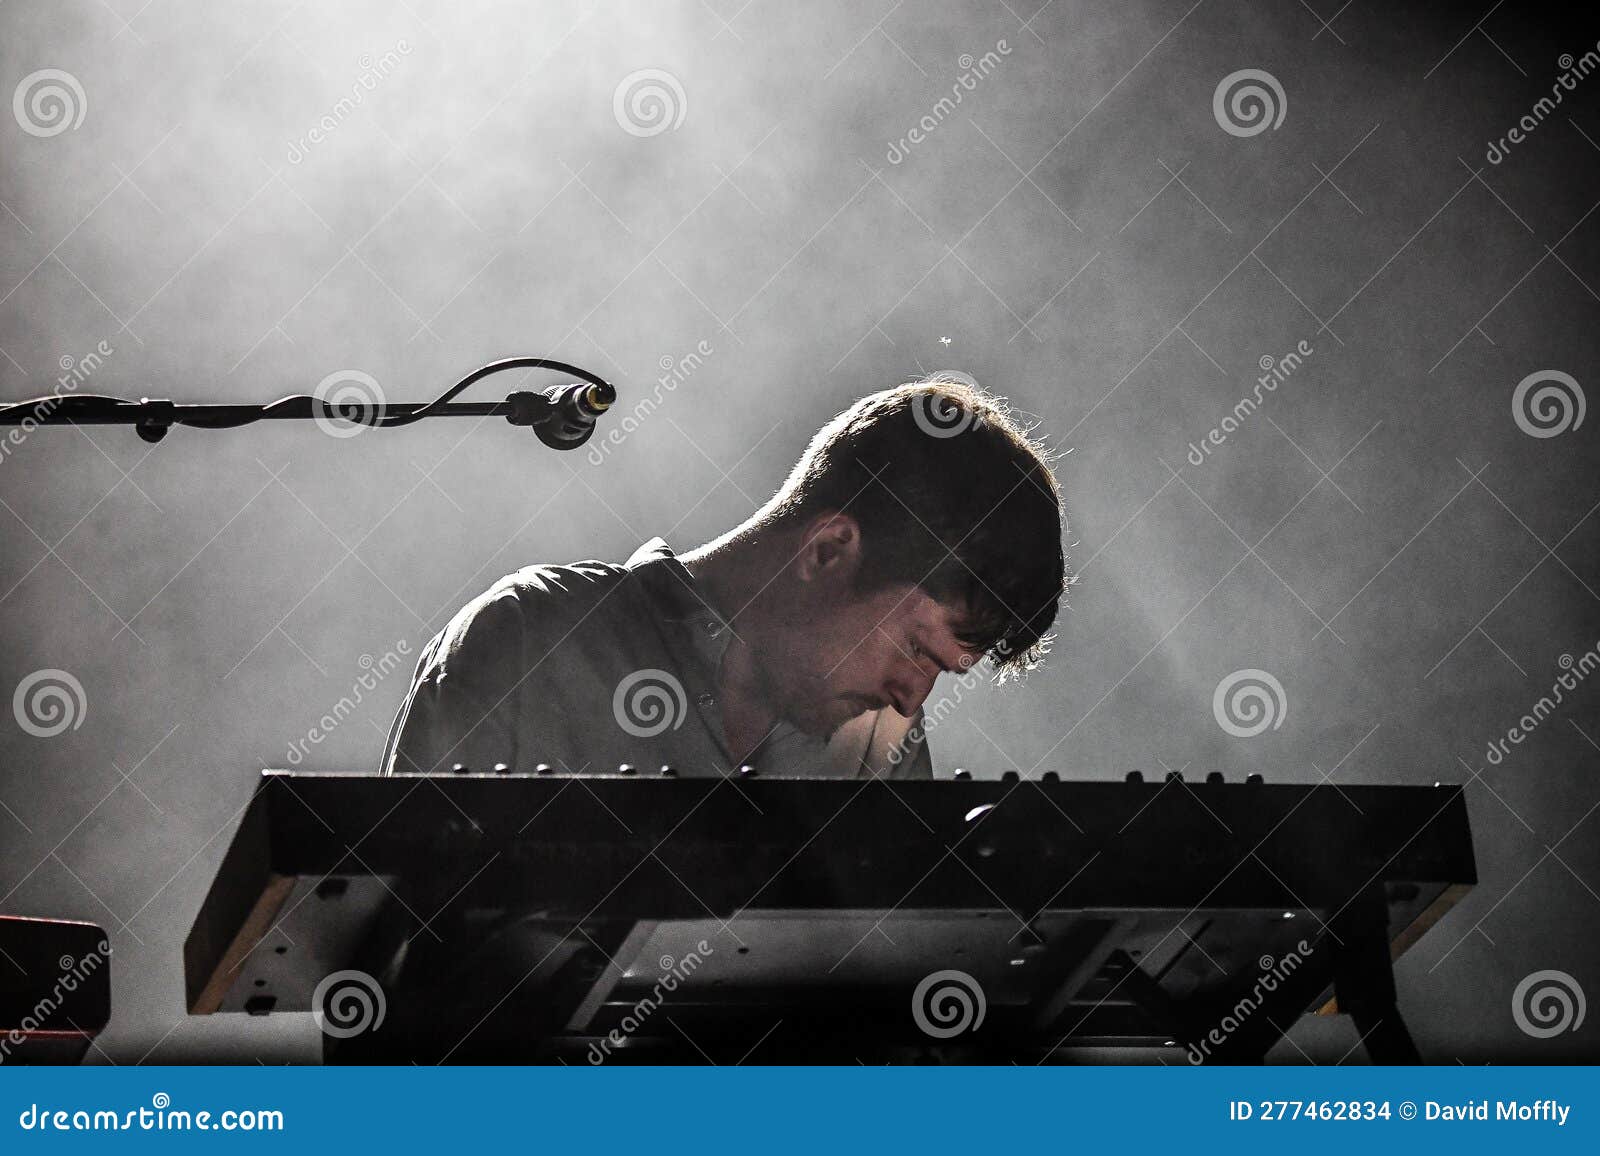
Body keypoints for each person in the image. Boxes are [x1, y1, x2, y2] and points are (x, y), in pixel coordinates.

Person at [380, 374, 1067, 781]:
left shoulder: (878, 757)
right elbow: (400, 955)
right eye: (918, 649)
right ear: (828, 550)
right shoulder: (532, 640)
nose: (912, 699)